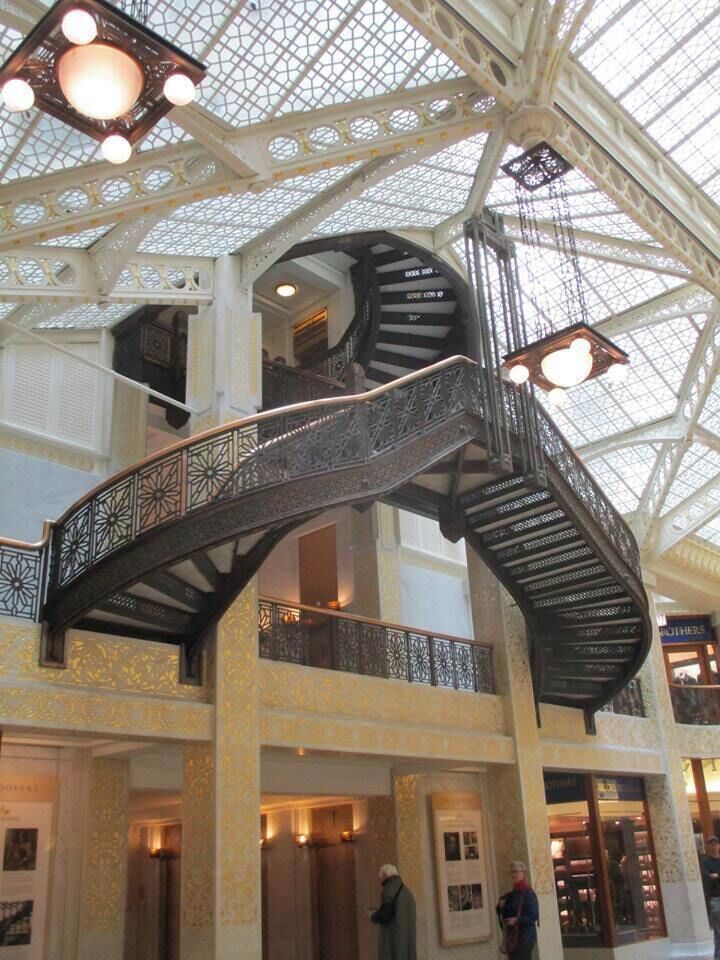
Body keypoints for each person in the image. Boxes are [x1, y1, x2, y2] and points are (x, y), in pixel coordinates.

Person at [370, 864, 417, 960]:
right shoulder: (408, 893)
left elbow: (385, 916)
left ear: (385, 876)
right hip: (407, 944)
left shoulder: (389, 889)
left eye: (381, 880)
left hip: (394, 944)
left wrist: (373, 915)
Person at [496, 861, 539, 960]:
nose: (513, 875)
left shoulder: (528, 893)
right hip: (513, 936)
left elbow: (534, 915)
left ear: (523, 873)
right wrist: (501, 906)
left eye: (515, 872)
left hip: (525, 936)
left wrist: (517, 920)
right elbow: (507, 912)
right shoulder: (512, 893)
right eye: (511, 872)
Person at [701, 836, 720, 959]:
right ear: (707, 846)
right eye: (711, 844)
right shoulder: (705, 862)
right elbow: (707, 878)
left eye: (715, 843)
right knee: (718, 931)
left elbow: (714, 877)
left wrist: (716, 876)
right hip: (715, 899)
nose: (713, 846)